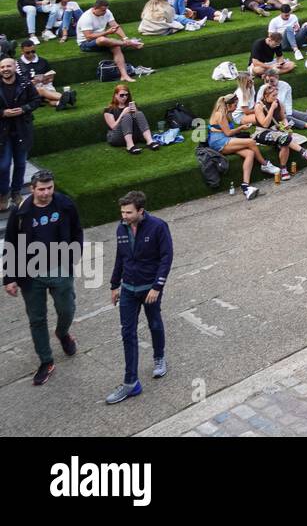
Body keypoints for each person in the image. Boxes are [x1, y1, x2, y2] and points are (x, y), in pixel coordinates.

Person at [2, 170, 82, 386]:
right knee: (37, 319)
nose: (46, 193)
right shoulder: (20, 212)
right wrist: (9, 277)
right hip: (30, 275)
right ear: (33, 189)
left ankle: (62, 333)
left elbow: (77, 230)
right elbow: (10, 244)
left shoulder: (65, 204)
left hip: (60, 269)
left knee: (67, 309)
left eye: (50, 188)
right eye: (41, 189)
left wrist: (74, 255)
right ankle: (46, 361)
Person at [105, 190, 173, 404]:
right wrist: (114, 285)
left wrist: (157, 287)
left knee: (154, 323)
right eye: (122, 211)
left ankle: (159, 357)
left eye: (128, 212)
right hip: (128, 289)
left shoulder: (158, 227)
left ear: (140, 211)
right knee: (127, 333)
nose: (124, 216)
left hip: (149, 289)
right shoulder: (121, 228)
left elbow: (166, 257)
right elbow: (120, 257)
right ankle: (131, 382)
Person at [206, 95, 275, 199]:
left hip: (224, 139)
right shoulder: (220, 114)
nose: (236, 106)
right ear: (228, 105)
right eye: (235, 104)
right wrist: (241, 128)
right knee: (251, 142)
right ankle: (264, 164)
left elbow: (226, 132)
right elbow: (228, 133)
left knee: (250, 153)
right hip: (219, 142)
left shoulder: (226, 113)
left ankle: (245, 186)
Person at [0, 57, 41, 211]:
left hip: (21, 130)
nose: (5, 69)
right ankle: (3, 194)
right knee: (3, 166)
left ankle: (16, 193)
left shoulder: (25, 83)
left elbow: (36, 100)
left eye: (8, 66)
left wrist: (24, 109)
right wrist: (3, 113)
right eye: (2, 67)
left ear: (14, 67)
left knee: (20, 164)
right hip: (2, 133)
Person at [251, 84, 307, 179]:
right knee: (285, 138)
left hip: (277, 131)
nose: (276, 98)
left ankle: (283, 169)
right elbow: (264, 124)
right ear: (265, 96)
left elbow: (283, 118)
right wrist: (272, 109)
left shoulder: (279, 103)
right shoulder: (259, 106)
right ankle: (304, 152)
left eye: (276, 95)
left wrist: (286, 127)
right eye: (273, 96)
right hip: (262, 132)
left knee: (285, 141)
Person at [77, 0, 143, 82]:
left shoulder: (107, 12)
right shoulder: (86, 17)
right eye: (102, 10)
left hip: (104, 39)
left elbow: (115, 26)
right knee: (102, 39)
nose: (105, 12)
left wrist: (125, 38)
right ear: (95, 8)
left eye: (106, 9)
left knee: (116, 47)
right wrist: (107, 32)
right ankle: (128, 43)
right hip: (86, 44)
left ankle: (124, 75)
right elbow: (88, 37)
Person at [17, 39, 75, 109]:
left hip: (45, 86)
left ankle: (58, 103)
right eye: (27, 52)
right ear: (22, 51)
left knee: (49, 98)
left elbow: (50, 75)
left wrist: (48, 79)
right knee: (41, 90)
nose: (31, 54)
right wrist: (30, 83)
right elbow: (17, 83)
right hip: (29, 90)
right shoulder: (17, 64)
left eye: (33, 51)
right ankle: (67, 96)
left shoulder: (42, 61)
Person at [103, 85, 162, 152]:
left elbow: (138, 122)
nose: (124, 97)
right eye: (121, 95)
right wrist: (123, 113)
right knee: (127, 116)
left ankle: (150, 141)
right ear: (116, 95)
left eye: (126, 95)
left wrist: (135, 111)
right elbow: (113, 127)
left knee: (139, 113)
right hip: (118, 137)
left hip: (134, 134)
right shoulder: (109, 110)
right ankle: (130, 146)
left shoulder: (131, 105)